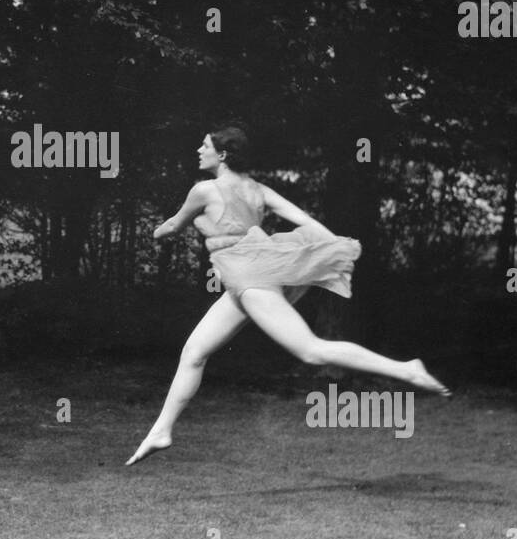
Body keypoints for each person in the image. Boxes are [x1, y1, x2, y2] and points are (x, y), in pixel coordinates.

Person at [126, 126, 449, 466]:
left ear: (222, 154)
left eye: (204, 145)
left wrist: (156, 230)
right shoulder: (259, 190)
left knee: (310, 351)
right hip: (247, 280)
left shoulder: (204, 190)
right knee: (194, 352)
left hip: (250, 280)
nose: (198, 150)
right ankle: (161, 430)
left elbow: (175, 225)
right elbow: (304, 220)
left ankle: (407, 369)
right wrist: (335, 244)